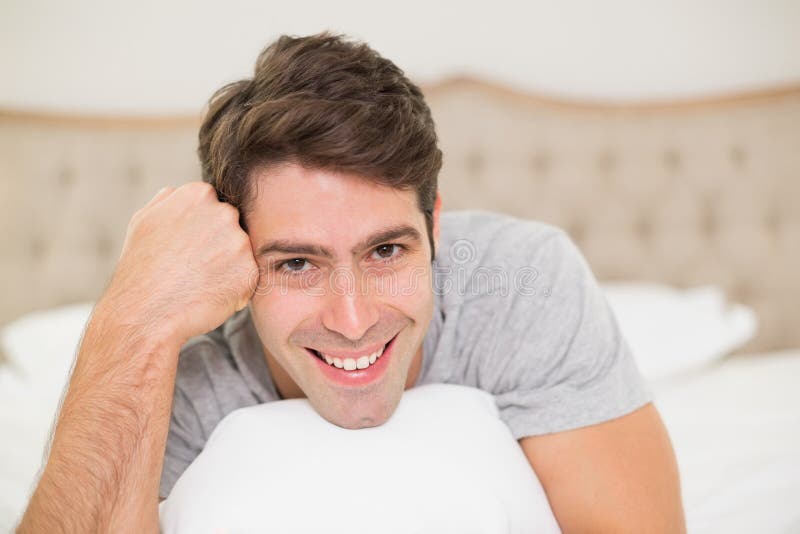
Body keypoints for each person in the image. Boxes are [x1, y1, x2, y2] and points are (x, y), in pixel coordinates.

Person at [17, 32, 685, 533]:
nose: (353, 316)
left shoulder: (525, 287)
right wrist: (136, 316)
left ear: (436, 229)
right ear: (237, 255)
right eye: (296, 264)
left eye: (386, 250)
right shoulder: (183, 372)